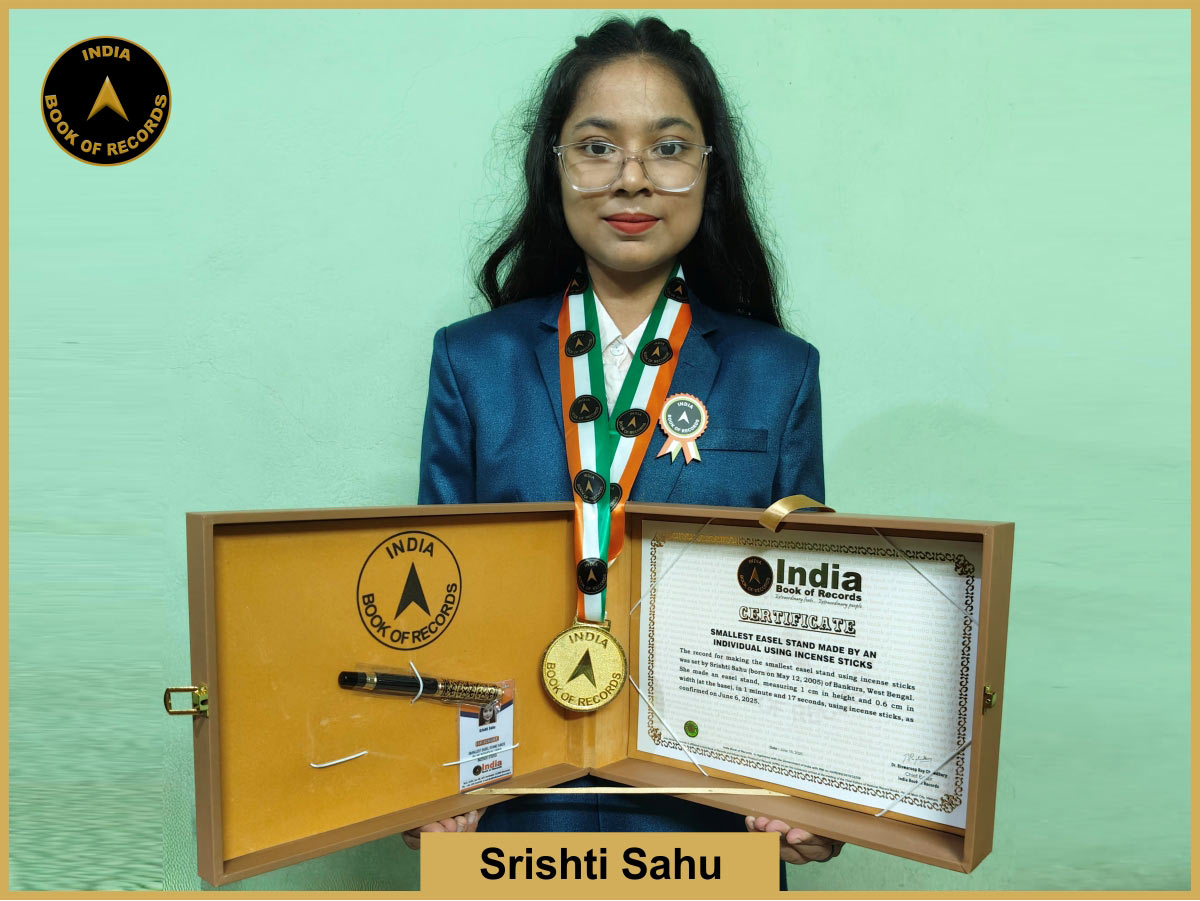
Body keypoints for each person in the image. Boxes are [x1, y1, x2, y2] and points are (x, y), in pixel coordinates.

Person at [411, 16, 841, 877]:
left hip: (715, 813)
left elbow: (810, 616)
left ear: (708, 169)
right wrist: (422, 789)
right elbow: (433, 593)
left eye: (669, 147)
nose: (633, 178)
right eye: (598, 147)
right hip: (513, 811)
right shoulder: (470, 360)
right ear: (556, 163)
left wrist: (814, 799)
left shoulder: (780, 372)